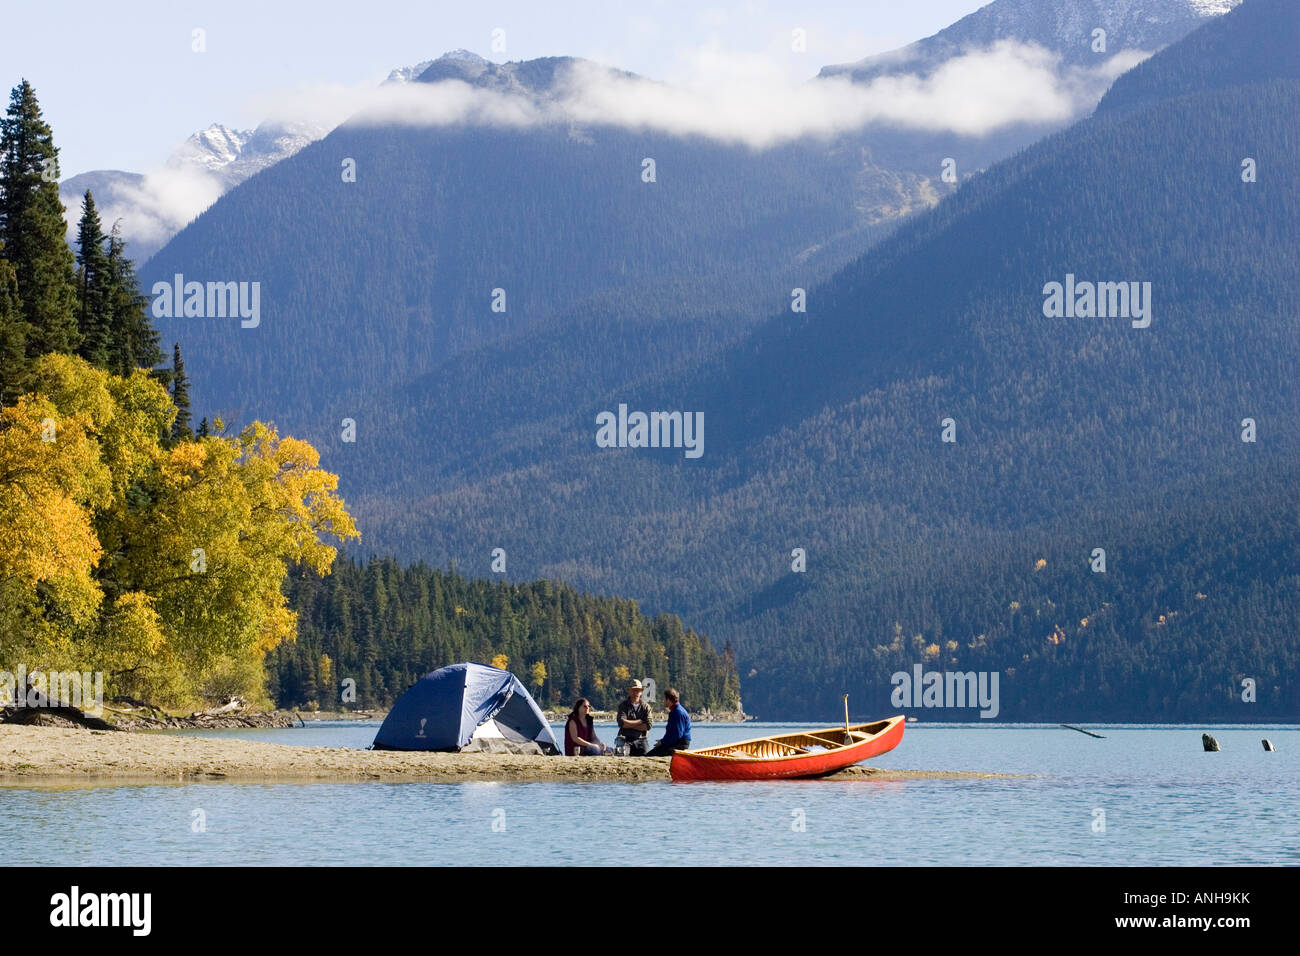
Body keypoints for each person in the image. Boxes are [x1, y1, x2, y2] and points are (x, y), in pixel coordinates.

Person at [646, 688, 691, 756]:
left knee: (650, 755)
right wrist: (663, 741)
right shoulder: (675, 710)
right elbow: (673, 733)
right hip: (676, 743)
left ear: (668, 700)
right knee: (652, 753)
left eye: (664, 699)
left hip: (680, 745)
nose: (663, 701)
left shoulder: (678, 712)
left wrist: (662, 742)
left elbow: (677, 734)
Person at [615, 679, 652, 755]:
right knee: (621, 755)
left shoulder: (646, 707)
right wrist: (640, 721)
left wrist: (629, 725)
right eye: (633, 690)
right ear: (629, 691)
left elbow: (648, 726)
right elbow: (622, 723)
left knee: (647, 756)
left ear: (641, 692)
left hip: (642, 739)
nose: (636, 692)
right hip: (625, 738)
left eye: (638, 690)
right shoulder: (623, 706)